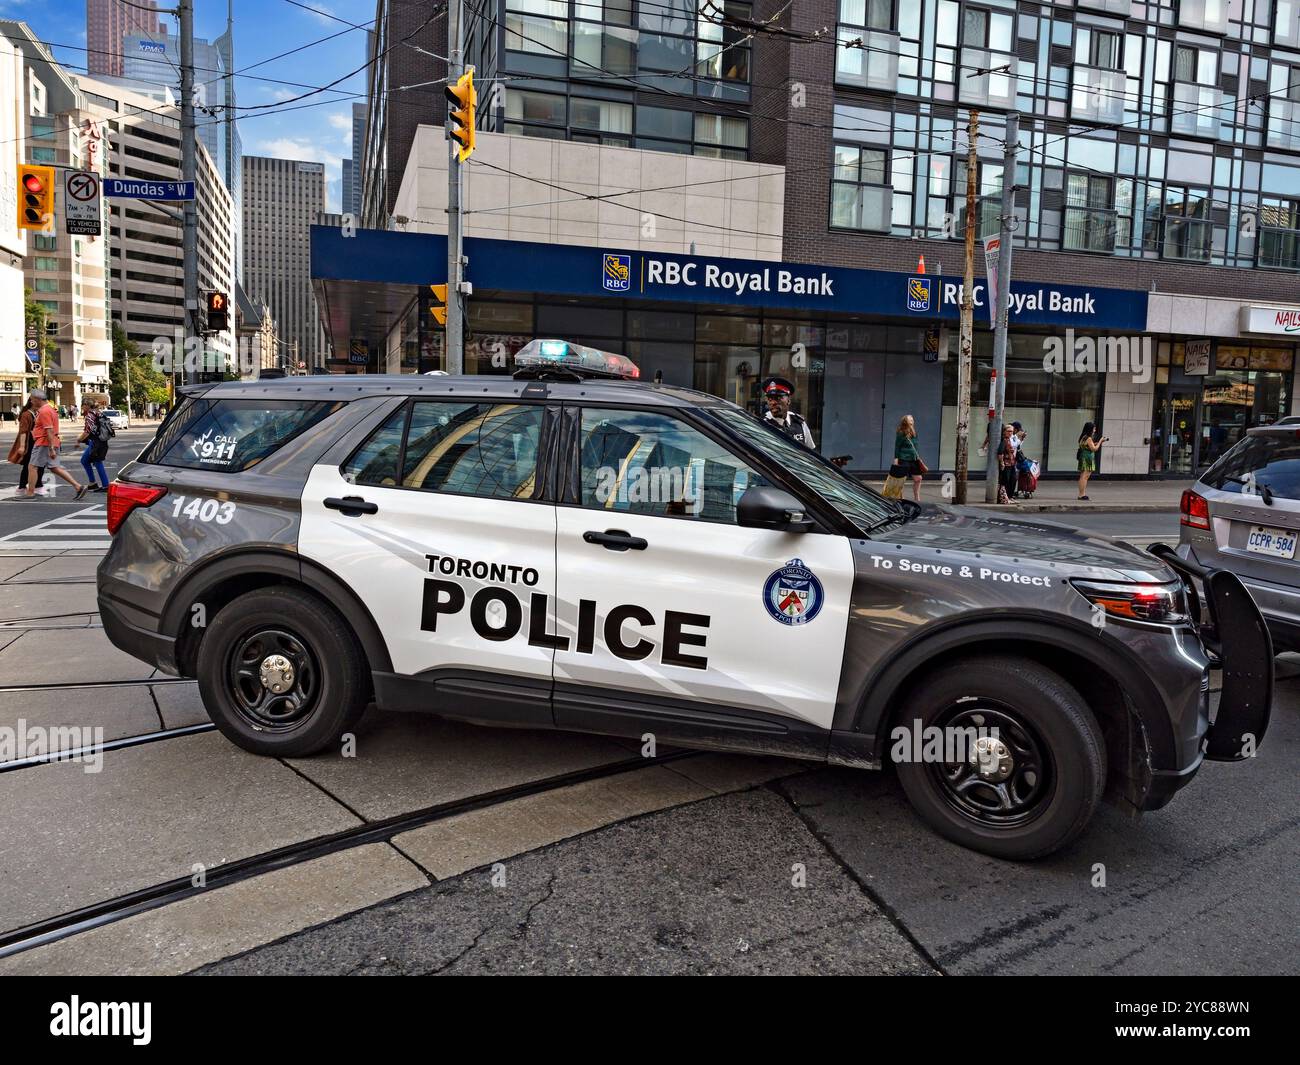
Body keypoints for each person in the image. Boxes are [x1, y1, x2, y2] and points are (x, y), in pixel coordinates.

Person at [18, 390, 86, 500]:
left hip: (43, 443)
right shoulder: (50, 409)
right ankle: (78, 486)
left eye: (32, 399)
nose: (31, 401)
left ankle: (30, 493)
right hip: (50, 442)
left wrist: (51, 448)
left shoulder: (44, 411)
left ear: (38, 399)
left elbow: (49, 430)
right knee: (54, 468)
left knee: (32, 467)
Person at [761, 376, 816, 449]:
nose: (773, 403)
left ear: (788, 401)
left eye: (778, 398)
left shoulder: (799, 423)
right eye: (770, 399)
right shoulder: (763, 424)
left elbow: (811, 451)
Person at [6, 395, 45, 496]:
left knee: (37, 465)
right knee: (29, 465)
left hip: (37, 441)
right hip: (29, 443)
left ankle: (33, 486)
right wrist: (22, 446)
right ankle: (24, 487)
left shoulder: (37, 413)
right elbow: (23, 432)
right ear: (33, 402)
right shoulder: (26, 414)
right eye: (39, 401)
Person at [78, 397, 110, 492]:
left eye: (83, 405)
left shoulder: (89, 416)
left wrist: (79, 440)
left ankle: (105, 485)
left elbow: (87, 431)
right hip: (102, 441)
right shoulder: (99, 413)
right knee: (85, 460)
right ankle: (93, 483)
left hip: (95, 442)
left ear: (87, 405)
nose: (82, 407)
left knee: (97, 462)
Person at [894, 414, 925, 503]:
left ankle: (917, 497)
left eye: (912, 419)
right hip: (904, 458)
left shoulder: (914, 432)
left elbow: (915, 446)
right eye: (910, 419)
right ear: (905, 422)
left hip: (914, 459)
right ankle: (901, 498)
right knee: (901, 480)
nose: (912, 421)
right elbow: (897, 446)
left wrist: (918, 457)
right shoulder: (901, 433)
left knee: (918, 478)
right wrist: (896, 459)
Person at [1077, 422, 1108, 501]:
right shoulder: (1089, 438)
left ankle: (1081, 494)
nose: (1095, 430)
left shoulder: (1083, 437)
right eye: (1094, 428)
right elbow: (1094, 449)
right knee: (1085, 477)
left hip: (1083, 457)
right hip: (1088, 458)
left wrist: (1095, 443)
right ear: (1090, 429)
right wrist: (1100, 441)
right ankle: (1082, 495)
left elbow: (1087, 446)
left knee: (1082, 476)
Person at [997, 425, 1019, 503]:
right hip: (1006, 464)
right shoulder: (1004, 441)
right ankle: (1005, 497)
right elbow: (1000, 452)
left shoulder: (1010, 440)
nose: (1010, 433)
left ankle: (1010, 496)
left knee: (1013, 479)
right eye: (1008, 431)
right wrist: (1002, 463)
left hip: (1012, 462)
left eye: (1012, 431)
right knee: (1006, 480)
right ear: (1004, 432)